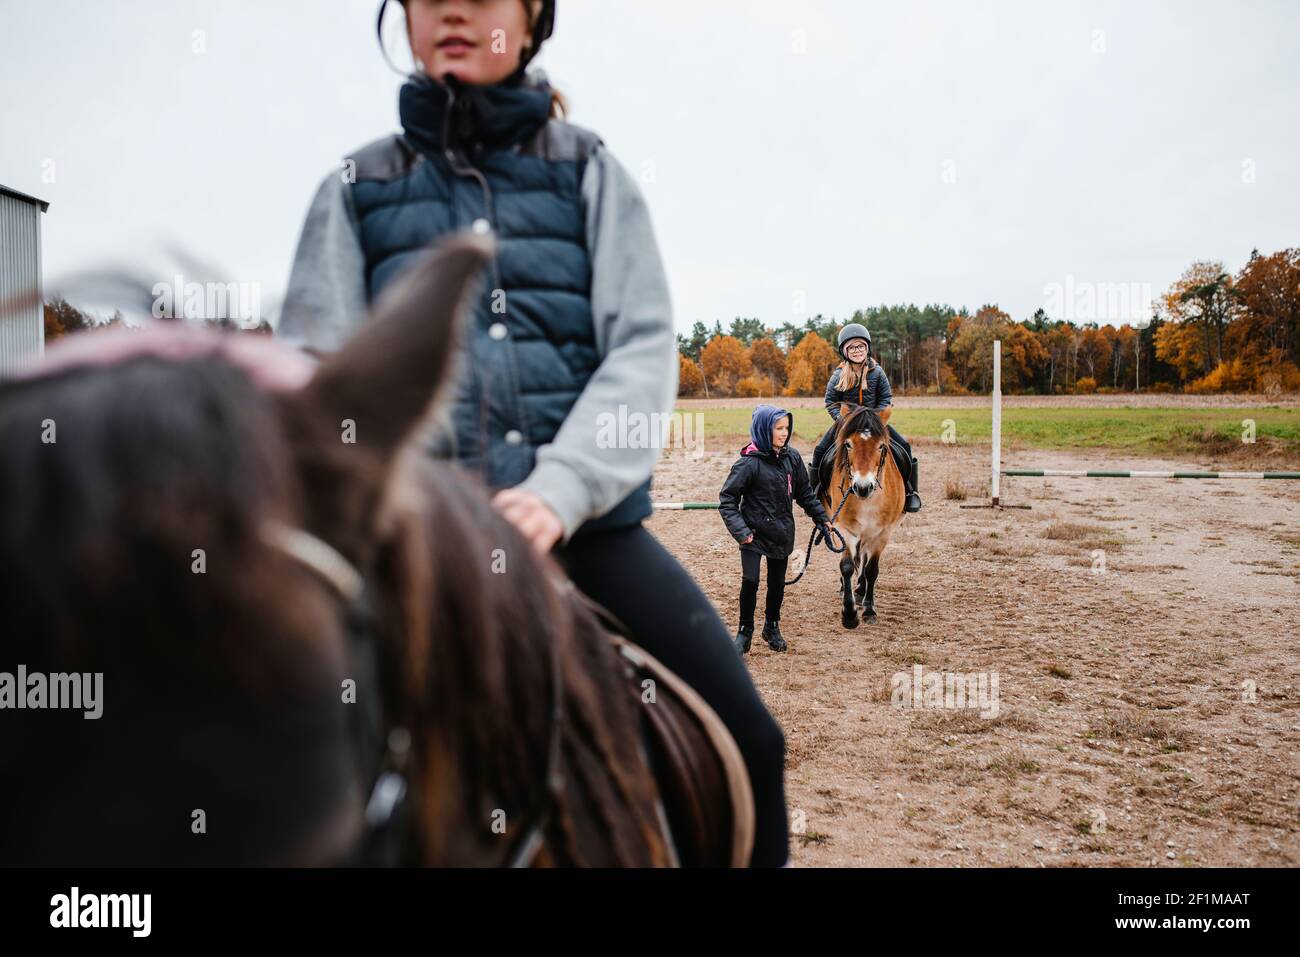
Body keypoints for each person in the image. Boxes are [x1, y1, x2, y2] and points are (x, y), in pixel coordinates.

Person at [278, 0, 790, 867]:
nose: (452, 10)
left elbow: (638, 349)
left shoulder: (590, 170)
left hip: (588, 533)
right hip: (408, 553)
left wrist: (557, 492)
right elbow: (319, 382)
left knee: (750, 742)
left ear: (532, 17)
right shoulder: (352, 189)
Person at [719, 405, 831, 655]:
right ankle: (744, 631)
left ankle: (772, 626)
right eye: (778, 428)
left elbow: (805, 493)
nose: (784, 433)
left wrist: (822, 518)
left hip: (781, 533)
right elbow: (727, 501)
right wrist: (742, 531)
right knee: (750, 581)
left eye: (786, 428)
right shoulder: (748, 464)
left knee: (777, 583)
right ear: (763, 429)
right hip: (753, 535)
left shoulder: (792, 458)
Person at [808, 324, 922, 512]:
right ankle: (815, 495)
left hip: (875, 424)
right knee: (820, 451)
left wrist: (877, 418)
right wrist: (841, 420)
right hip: (846, 425)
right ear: (845, 351)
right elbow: (830, 401)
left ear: (867, 348)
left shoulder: (877, 372)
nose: (857, 351)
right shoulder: (838, 375)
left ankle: (910, 493)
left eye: (860, 346)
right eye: (852, 347)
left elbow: (886, 398)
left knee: (905, 448)